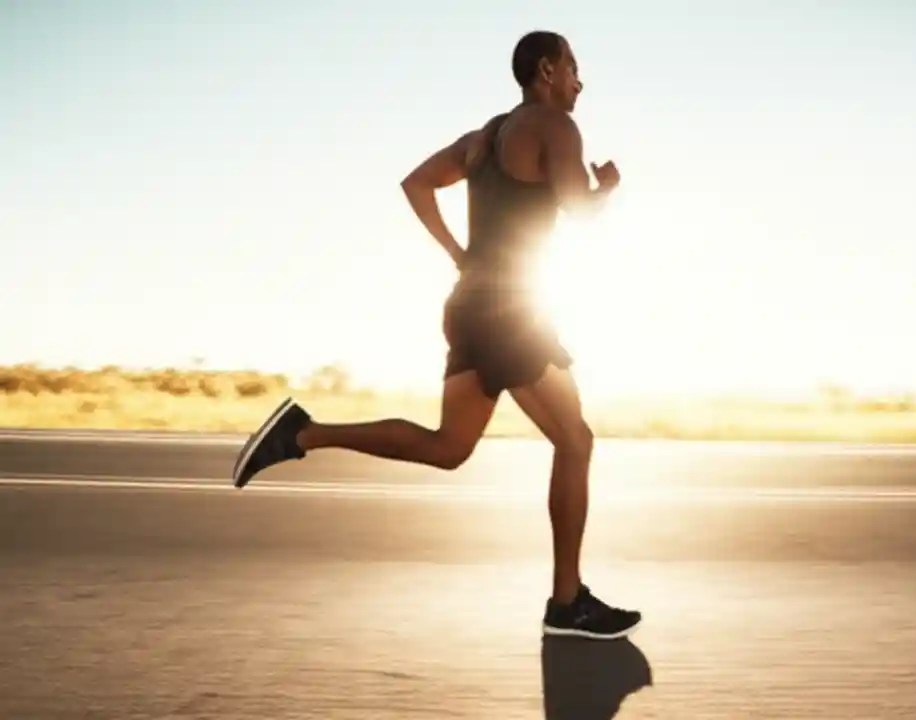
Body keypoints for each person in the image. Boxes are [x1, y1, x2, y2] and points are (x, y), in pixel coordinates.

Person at [230, 30, 641, 641]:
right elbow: (578, 211)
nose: (581, 82)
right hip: (511, 312)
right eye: (575, 69)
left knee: (451, 447)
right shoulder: (556, 127)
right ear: (547, 70)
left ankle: (302, 433)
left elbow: (416, 184)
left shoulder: (482, 138)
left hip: (471, 304)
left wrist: (458, 253)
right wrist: (606, 186)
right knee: (575, 441)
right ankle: (567, 600)